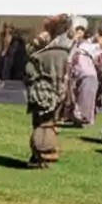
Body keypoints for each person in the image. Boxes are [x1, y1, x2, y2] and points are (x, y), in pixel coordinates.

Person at [23, 15, 73, 168]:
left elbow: (30, 65)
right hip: (57, 89)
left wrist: (35, 44)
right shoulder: (65, 48)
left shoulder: (48, 49)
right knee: (48, 122)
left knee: (42, 124)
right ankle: (40, 155)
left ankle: (44, 155)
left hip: (43, 89)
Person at [68, 27, 102, 126]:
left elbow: (99, 62)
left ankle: (83, 118)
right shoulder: (79, 45)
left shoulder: (90, 47)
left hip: (85, 73)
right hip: (80, 73)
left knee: (84, 96)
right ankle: (77, 116)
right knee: (77, 95)